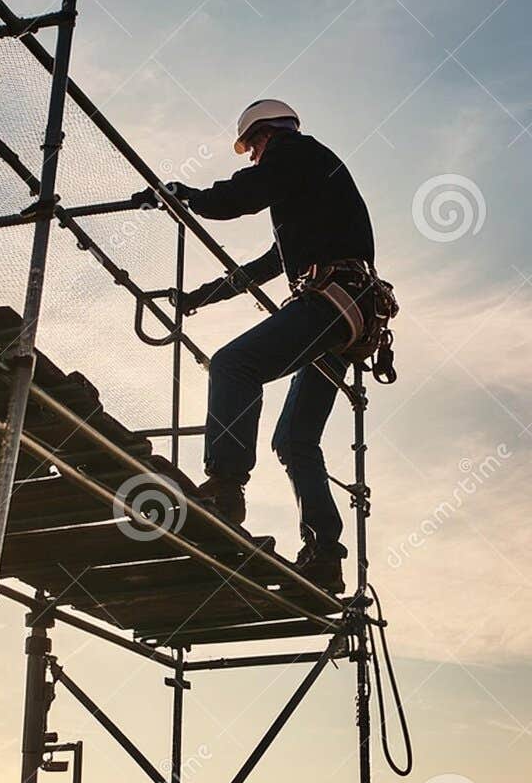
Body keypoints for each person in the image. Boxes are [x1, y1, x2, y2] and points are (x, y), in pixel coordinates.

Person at [148, 100, 376, 595]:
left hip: (331, 303)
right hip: (347, 313)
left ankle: (226, 487)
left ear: (265, 135)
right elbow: (269, 263)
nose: (251, 156)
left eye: (251, 146)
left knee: (234, 365)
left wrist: (187, 196)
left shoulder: (294, 152)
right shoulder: (311, 188)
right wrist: (200, 298)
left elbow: (242, 197)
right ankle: (324, 556)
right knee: (294, 440)